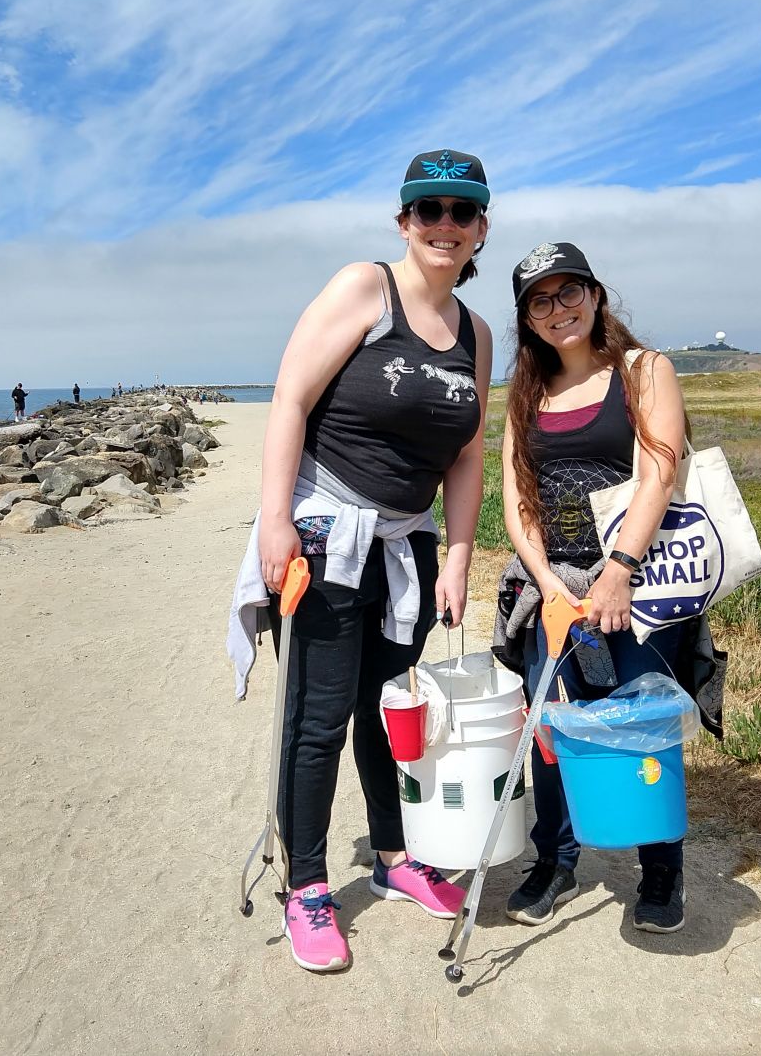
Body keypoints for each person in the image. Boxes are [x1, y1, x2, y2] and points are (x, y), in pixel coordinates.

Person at [229, 148, 494, 972]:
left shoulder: (478, 334)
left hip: (407, 544)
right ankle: (306, 883)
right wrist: (276, 520)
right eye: (428, 209)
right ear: (403, 220)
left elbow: (468, 455)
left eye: (461, 210)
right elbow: (290, 397)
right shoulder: (363, 289)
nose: (444, 223)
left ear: (481, 227)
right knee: (318, 718)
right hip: (326, 533)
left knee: (389, 712)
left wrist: (457, 555)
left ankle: (392, 857)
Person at [498, 241, 691, 933]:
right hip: (551, 587)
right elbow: (518, 498)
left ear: (596, 294)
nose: (559, 310)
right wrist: (548, 584)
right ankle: (555, 859)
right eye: (539, 302)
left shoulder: (644, 370)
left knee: (643, 723)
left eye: (569, 291)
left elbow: (660, 472)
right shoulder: (527, 392)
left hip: (633, 582)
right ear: (527, 319)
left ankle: (661, 869)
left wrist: (618, 569)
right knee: (551, 729)